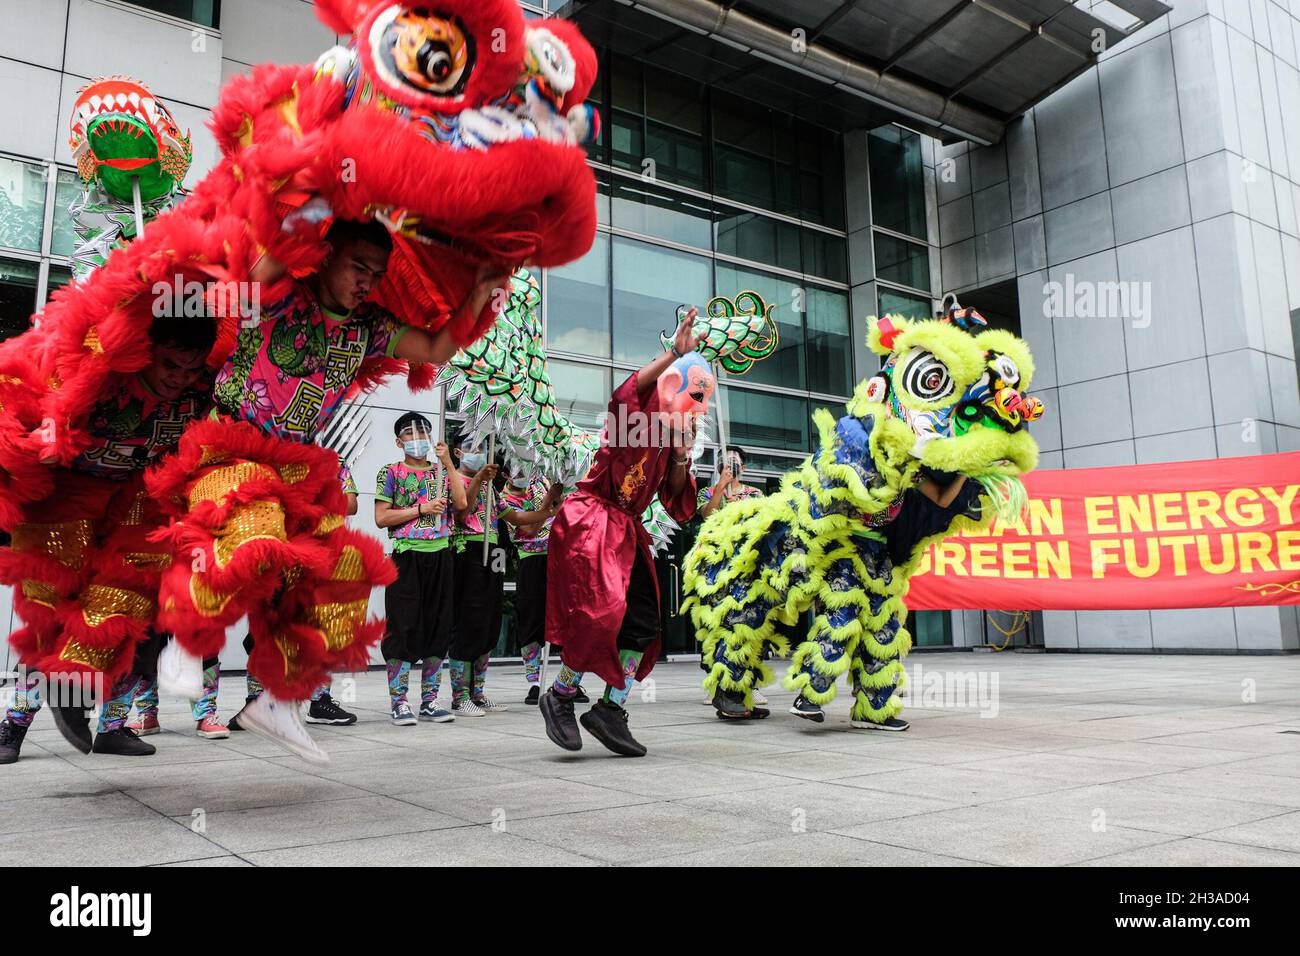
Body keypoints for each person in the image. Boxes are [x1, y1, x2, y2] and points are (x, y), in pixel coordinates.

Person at [150, 217, 510, 764]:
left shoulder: (369, 327)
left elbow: (437, 348)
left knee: (342, 571)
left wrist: (482, 290)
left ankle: (277, 699)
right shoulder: (276, 297)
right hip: (232, 443)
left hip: (295, 463)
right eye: (357, 266)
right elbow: (261, 264)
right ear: (324, 254)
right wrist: (327, 190)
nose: (367, 281)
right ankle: (185, 639)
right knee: (249, 532)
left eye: (377, 272)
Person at [0, 314, 216, 761]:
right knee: (52, 618)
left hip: (138, 492)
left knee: (131, 612)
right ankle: (12, 726)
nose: (181, 379)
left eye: (191, 370)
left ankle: (112, 725)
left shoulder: (205, 391)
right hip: (66, 492)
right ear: (145, 355)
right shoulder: (98, 378)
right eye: (171, 365)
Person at [539, 309, 708, 756]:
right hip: (591, 521)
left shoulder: (673, 446)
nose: (693, 415)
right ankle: (558, 696)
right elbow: (624, 391)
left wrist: (678, 455)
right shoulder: (634, 424)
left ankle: (610, 710)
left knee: (645, 621)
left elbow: (679, 503)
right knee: (601, 615)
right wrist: (674, 353)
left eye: (698, 408)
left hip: (627, 532)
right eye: (689, 403)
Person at [374, 413, 466, 725]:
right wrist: (421, 509)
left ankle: (429, 701)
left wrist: (449, 464)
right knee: (402, 628)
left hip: (441, 555)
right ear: (399, 441)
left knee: (438, 627)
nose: (419, 439)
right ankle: (399, 702)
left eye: (424, 432)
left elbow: (462, 502)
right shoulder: (391, 472)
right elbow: (381, 518)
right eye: (411, 434)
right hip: (406, 557)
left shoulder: (441, 472)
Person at [446, 442, 509, 717]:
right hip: (468, 548)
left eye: (483, 447)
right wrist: (478, 479)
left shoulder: (491, 487)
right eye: (472, 447)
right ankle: (460, 697)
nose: (479, 452)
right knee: (468, 618)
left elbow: (514, 516)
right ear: (458, 452)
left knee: (489, 620)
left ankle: (478, 692)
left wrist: (547, 508)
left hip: (494, 550)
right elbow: (463, 513)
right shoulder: (454, 480)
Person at [498, 469, 566, 704]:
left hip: (561, 556)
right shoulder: (504, 499)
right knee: (531, 621)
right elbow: (526, 532)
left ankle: (568, 682)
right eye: (516, 469)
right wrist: (549, 504)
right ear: (506, 473)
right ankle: (535, 683)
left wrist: (559, 496)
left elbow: (561, 509)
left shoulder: (541, 480)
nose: (523, 473)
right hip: (531, 559)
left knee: (567, 620)